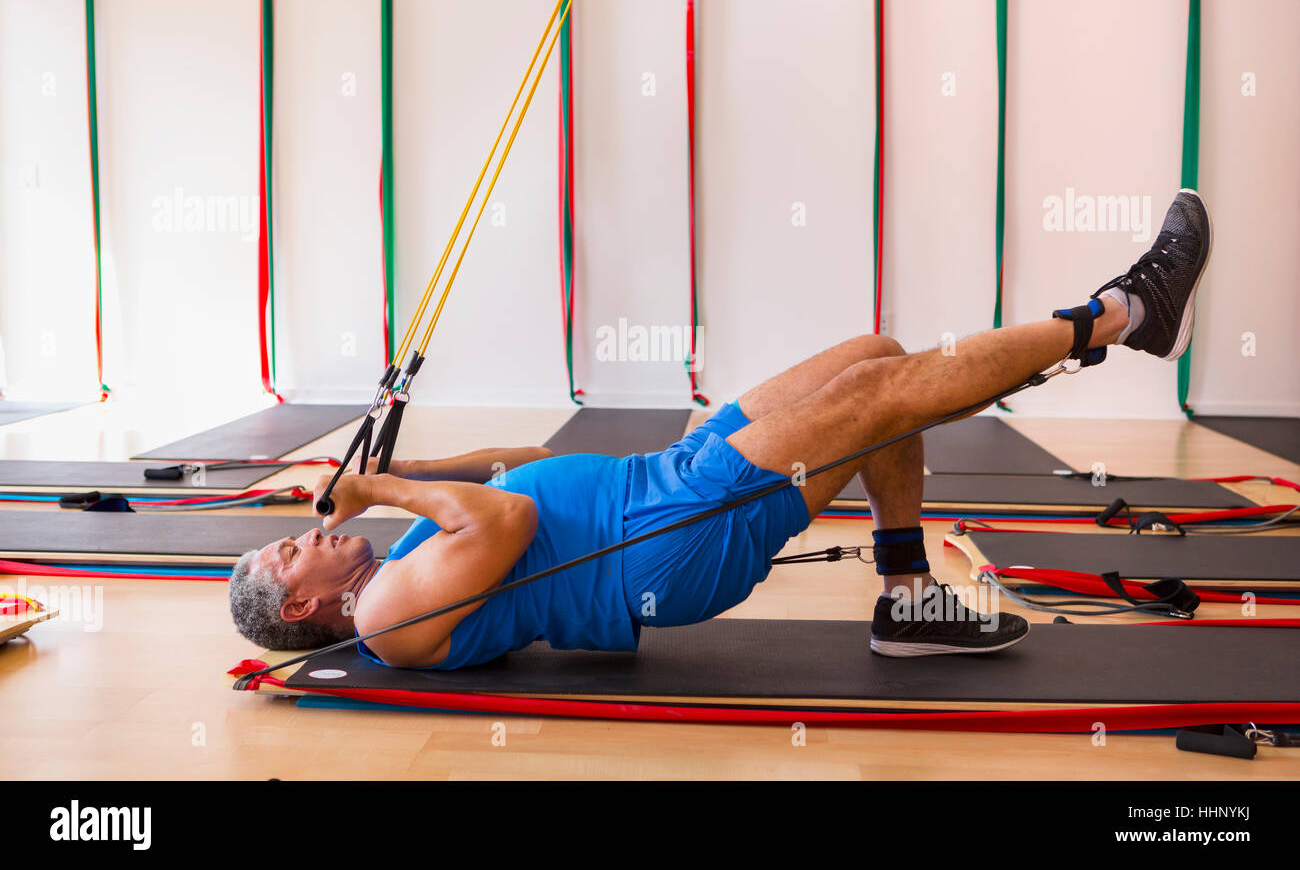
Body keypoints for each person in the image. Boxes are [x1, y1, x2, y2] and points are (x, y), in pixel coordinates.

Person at [229, 190, 1211, 667]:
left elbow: (520, 474)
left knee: (873, 353)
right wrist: (379, 489)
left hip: (667, 476)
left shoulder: (395, 559)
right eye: (291, 553)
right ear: (307, 609)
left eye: (296, 529)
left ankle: (905, 596)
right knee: (882, 398)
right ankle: (1121, 312)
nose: (308, 532)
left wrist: (406, 464)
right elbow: (503, 525)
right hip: (674, 539)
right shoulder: (385, 616)